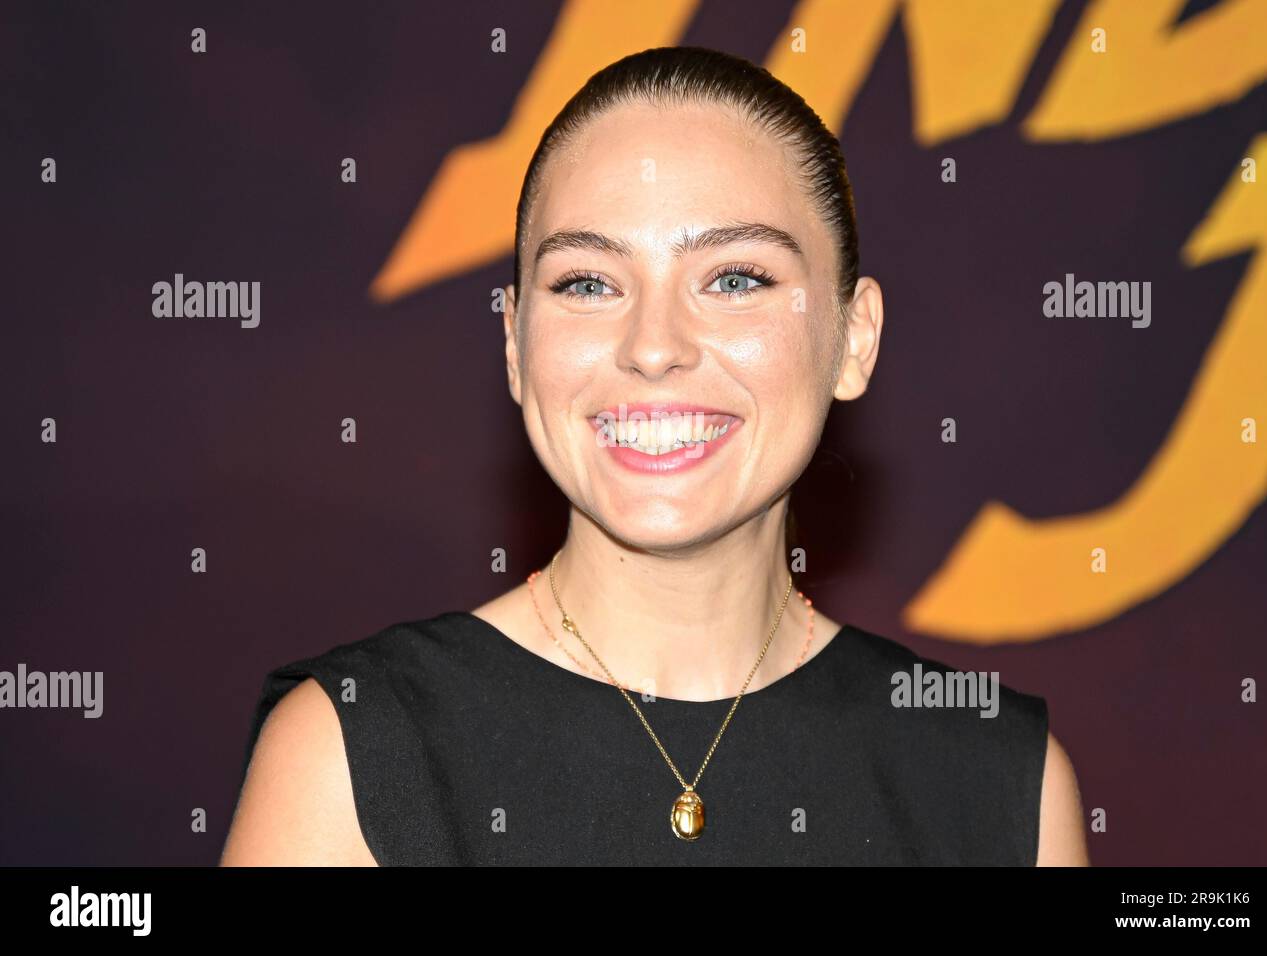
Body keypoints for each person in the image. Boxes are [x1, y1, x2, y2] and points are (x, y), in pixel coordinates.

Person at [221, 46, 1088, 866]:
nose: (654, 345)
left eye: (736, 279)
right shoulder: (353, 748)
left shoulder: (998, 777)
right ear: (517, 348)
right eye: (587, 283)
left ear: (853, 339)